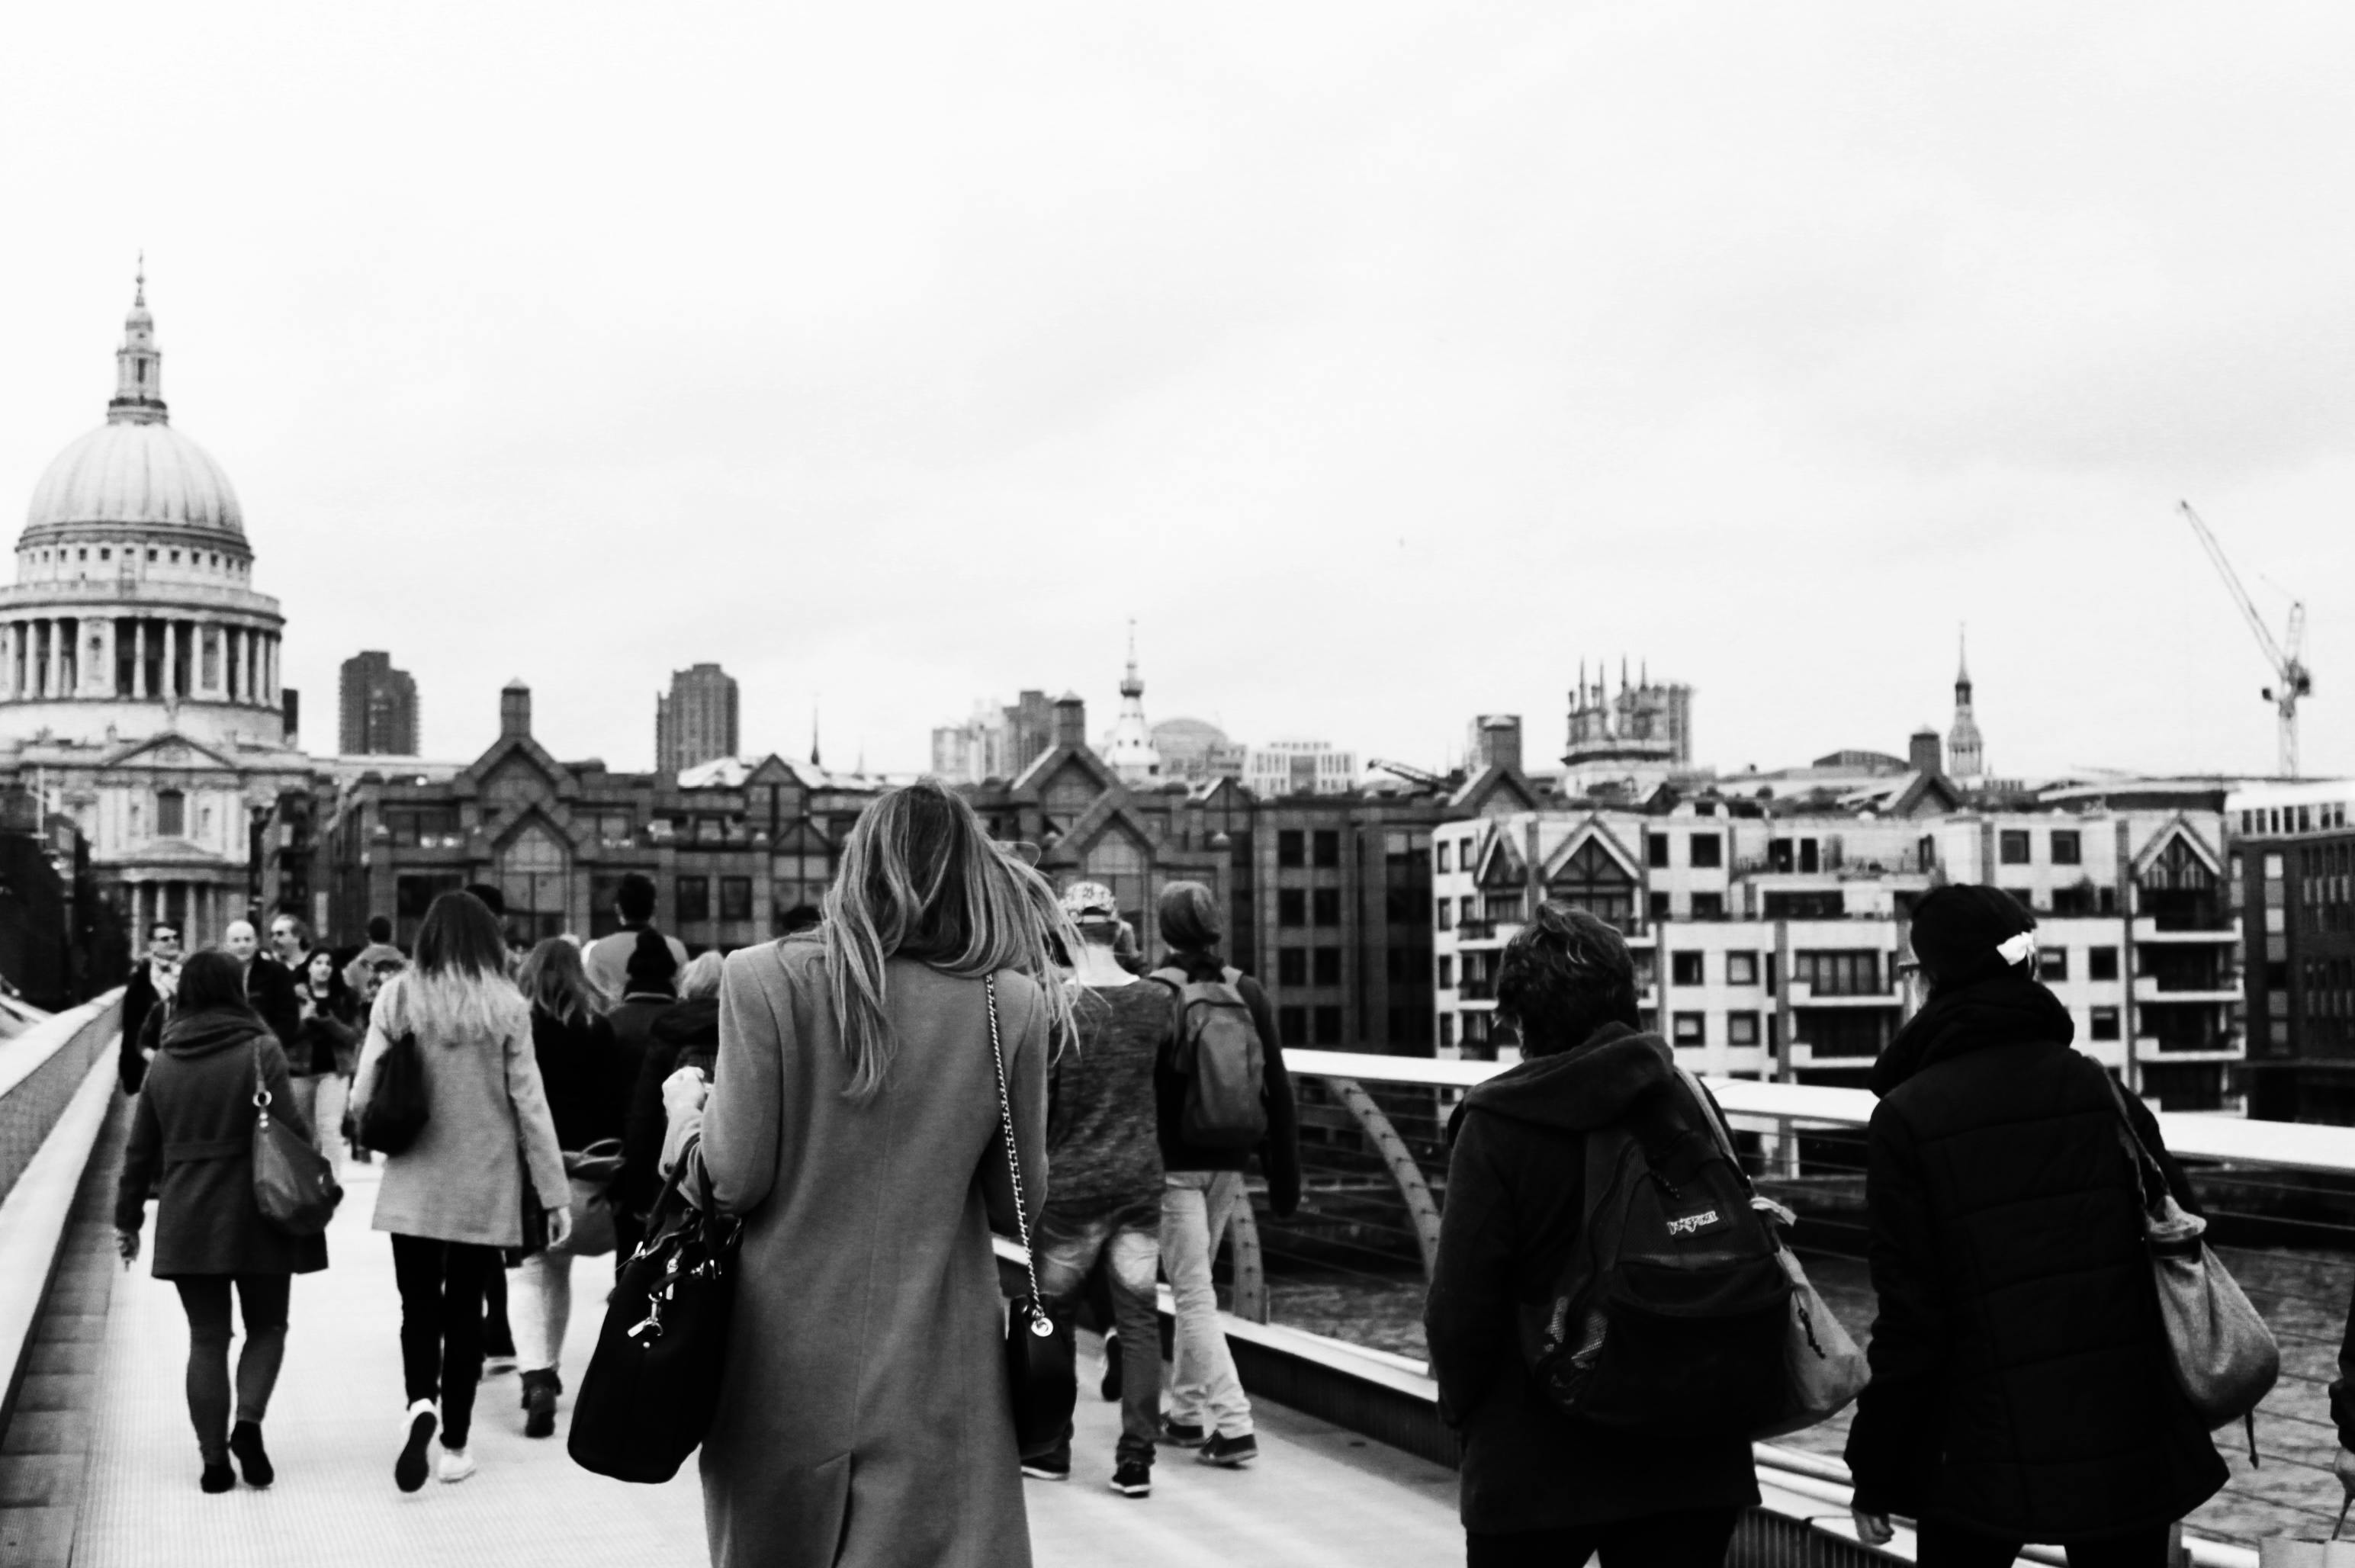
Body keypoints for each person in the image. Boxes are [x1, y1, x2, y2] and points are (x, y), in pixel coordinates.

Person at [658, 779, 1073, 1568]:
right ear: (970, 874)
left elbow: (734, 1177)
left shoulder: (763, 979)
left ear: (856, 864)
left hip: (780, 1351)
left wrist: (684, 1116)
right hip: (939, 1358)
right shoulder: (1008, 1004)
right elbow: (1015, 1201)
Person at [1846, 886, 2225, 1566]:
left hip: (1977, 1442)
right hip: (2123, 1434)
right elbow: (2179, 1236)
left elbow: (1911, 1320)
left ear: (1928, 981)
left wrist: (1876, 1466)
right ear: (2028, 969)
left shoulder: (1906, 1118)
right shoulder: (2103, 1092)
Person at [1423, 902, 1757, 1567]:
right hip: (1690, 1447)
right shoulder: (1687, 1096)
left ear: (1522, 1018)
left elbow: (1461, 1309)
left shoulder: (1496, 1121)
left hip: (1537, 1458)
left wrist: (1467, 1419)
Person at [348, 891, 570, 1492]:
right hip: (484, 1180)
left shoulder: (398, 996)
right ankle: (455, 1444)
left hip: (415, 1178)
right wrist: (553, 1192)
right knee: (466, 1311)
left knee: (416, 1306)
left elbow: (363, 1089)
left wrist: (370, 1129)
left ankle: (419, 1403)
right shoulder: (507, 1006)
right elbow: (531, 1105)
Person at [114, 949, 328, 1492]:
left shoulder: (163, 1061)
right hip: (260, 1211)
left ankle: (213, 1463)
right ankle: (248, 1425)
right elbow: (292, 1131)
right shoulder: (261, 1049)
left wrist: (129, 1220)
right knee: (268, 1327)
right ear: (238, 990)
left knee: (207, 1338)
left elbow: (139, 1153)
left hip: (189, 1215)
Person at [1017, 882, 1168, 1498]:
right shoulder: (1159, 1001)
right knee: (1136, 1322)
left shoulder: (1050, 1005)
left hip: (1071, 1181)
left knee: (1052, 1317)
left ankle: (1052, 1449)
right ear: (1118, 931)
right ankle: (1136, 1460)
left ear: (1065, 932)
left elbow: (1035, 1102)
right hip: (1137, 1179)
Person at [1150, 879, 1299, 1469]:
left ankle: (1234, 1427)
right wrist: (1285, 1177)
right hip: (1230, 1160)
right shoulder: (1248, 990)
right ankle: (1186, 1416)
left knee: (1191, 1293)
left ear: (1165, 931)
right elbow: (1279, 1090)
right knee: (1199, 1288)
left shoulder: (1154, 992)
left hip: (1174, 1164)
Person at [509, 937, 622, 1438]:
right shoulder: (599, 1028)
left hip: (532, 1166)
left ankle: (537, 1374)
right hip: (587, 1169)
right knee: (561, 1269)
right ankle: (549, 1369)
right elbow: (614, 1102)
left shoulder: (520, 1028)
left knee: (531, 1271)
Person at [620, 949, 722, 1227]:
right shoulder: (740, 1027)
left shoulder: (668, 1029)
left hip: (672, 1170)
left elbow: (645, 1112)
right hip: (728, 1169)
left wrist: (636, 1190)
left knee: (671, 1257)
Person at [604, 929, 679, 1264]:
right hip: (672, 1151)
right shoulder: (684, 1023)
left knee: (626, 1249)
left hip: (620, 1148)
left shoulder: (610, 1024)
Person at [294, 949, 361, 1181]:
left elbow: (352, 1037)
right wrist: (306, 1017)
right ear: (309, 967)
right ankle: (306, 1183)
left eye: (328, 963)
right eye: (318, 962)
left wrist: (329, 1021)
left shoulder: (345, 997)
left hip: (334, 1070)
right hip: (299, 1070)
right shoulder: (295, 996)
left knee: (330, 1128)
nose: (324, 968)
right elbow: (287, 1034)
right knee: (303, 1130)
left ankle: (331, 1183)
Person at [583, 872, 689, 1002]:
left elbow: (594, 1001)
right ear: (654, 908)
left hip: (616, 1020)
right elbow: (682, 995)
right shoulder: (676, 948)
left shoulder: (599, 951)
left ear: (618, 909)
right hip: (667, 1019)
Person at [119, 919, 183, 1094]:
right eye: (165, 939)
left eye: (175, 937)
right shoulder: (138, 983)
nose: (172, 941)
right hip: (150, 1063)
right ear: (152, 945)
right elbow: (131, 1028)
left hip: (184, 1063)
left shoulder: (190, 975)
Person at [224, 919, 302, 1058]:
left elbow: (288, 1017)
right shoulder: (217, 974)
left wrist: (271, 1045)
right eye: (236, 940)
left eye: (248, 940)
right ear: (227, 944)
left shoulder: (276, 972)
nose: (243, 945)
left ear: (257, 943)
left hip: (267, 1049)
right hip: (227, 1050)